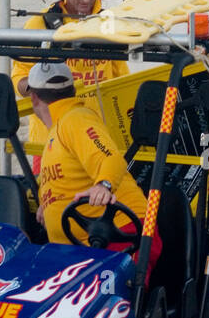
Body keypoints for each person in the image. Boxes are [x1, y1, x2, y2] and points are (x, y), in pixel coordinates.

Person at [27, 62, 162, 272]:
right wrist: (48, 203)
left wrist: (103, 185)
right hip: (84, 248)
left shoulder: (76, 119)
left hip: (119, 233)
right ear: (72, 89)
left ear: (34, 97)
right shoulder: (59, 129)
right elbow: (69, 178)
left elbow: (111, 158)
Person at [11, 0, 129, 176]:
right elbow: (20, 80)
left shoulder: (109, 24)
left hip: (98, 137)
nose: (85, 0)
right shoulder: (39, 24)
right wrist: (41, 84)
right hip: (50, 138)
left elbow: (120, 81)